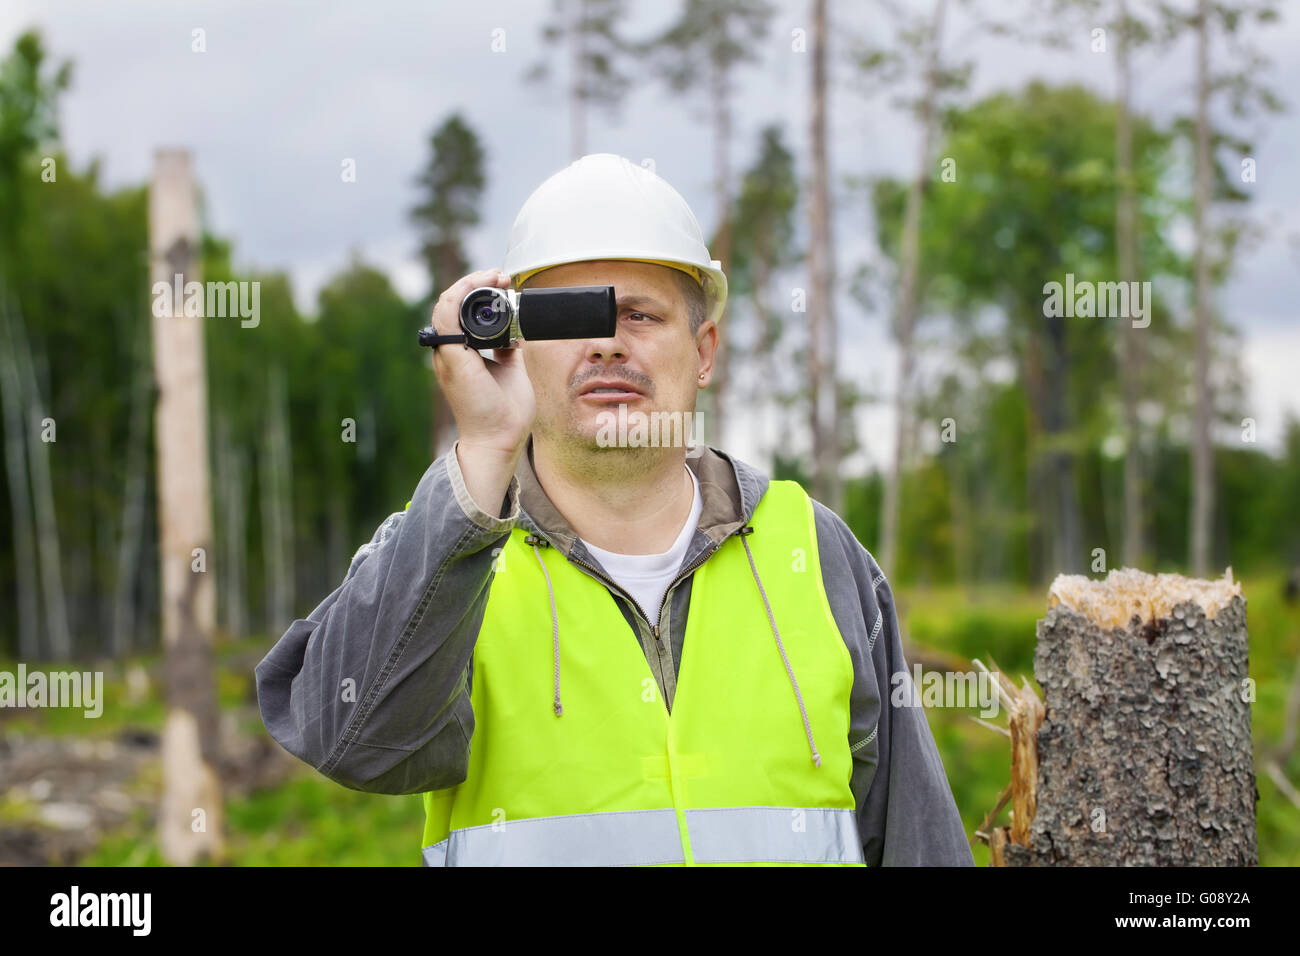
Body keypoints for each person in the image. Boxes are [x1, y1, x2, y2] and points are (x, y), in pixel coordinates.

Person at [256, 153, 974, 867]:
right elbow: (352, 743)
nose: (605, 343)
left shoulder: (814, 551)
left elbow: (917, 839)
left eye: (639, 313)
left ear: (704, 352)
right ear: (511, 345)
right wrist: (482, 447)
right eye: (570, 316)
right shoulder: (449, 548)